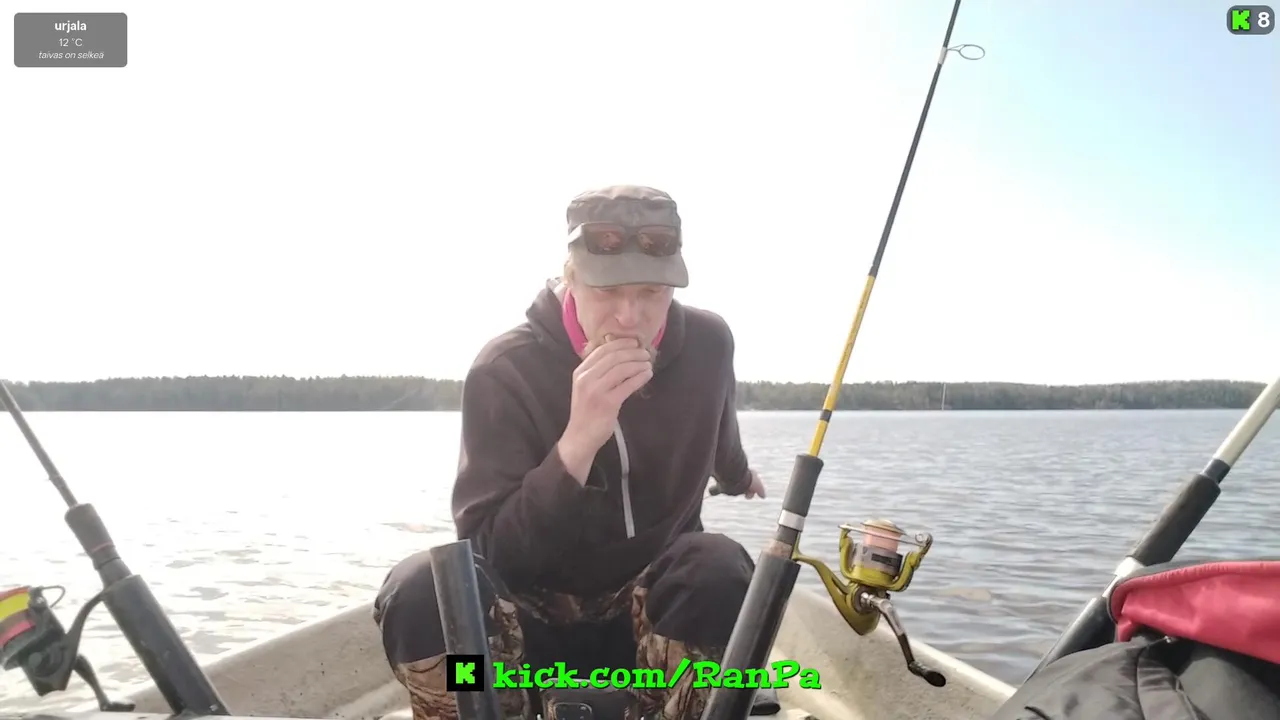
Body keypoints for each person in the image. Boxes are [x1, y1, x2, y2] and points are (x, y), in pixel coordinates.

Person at [374, 184, 768, 720]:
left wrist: (740, 476)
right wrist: (578, 441)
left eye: (651, 291)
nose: (629, 316)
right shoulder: (504, 369)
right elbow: (489, 554)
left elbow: (720, 428)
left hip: (651, 626)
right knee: (423, 590)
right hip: (529, 636)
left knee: (719, 567)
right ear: (571, 279)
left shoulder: (709, 342)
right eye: (607, 290)